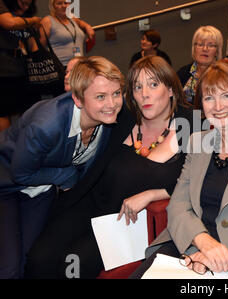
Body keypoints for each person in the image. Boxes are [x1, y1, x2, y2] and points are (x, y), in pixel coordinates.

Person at [25, 56, 195, 278]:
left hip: (127, 223)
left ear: (171, 89)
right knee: (40, 257)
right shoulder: (122, 117)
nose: (144, 94)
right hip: (89, 205)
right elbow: (86, 105)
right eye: (137, 86)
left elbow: (202, 179)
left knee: (73, 265)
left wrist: (154, 194)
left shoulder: (190, 122)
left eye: (154, 84)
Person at [129, 60, 228, 279]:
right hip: (187, 243)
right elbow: (178, 205)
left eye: (226, 96)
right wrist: (202, 240)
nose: (218, 106)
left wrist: (218, 253)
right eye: (209, 98)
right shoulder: (197, 142)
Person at [0, 56, 124, 278]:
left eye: (116, 93)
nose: (112, 103)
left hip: (41, 190)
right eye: (101, 96)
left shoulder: (107, 120)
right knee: (9, 266)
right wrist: (66, 177)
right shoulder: (48, 124)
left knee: (33, 259)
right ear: (78, 99)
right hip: (7, 184)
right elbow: (20, 173)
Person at [0, 0, 41, 131]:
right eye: (23, 3)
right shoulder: (3, 7)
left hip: (24, 69)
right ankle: (5, 148)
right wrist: (33, 20)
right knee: (3, 111)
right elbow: (10, 23)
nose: (25, 7)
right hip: (4, 70)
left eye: (28, 4)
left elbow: (33, 45)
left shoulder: (26, 19)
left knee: (29, 109)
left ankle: (26, 144)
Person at [39, 0, 95, 67]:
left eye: (66, 3)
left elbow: (83, 24)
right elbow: (40, 47)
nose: (63, 6)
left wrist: (88, 27)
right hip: (60, 67)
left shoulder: (72, 19)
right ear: (53, 6)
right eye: (59, 3)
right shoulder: (47, 21)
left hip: (79, 66)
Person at [177, 25, 223, 104]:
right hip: (184, 115)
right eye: (200, 45)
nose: (205, 49)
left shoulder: (223, 75)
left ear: (217, 51)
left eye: (211, 45)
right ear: (194, 48)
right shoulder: (182, 73)